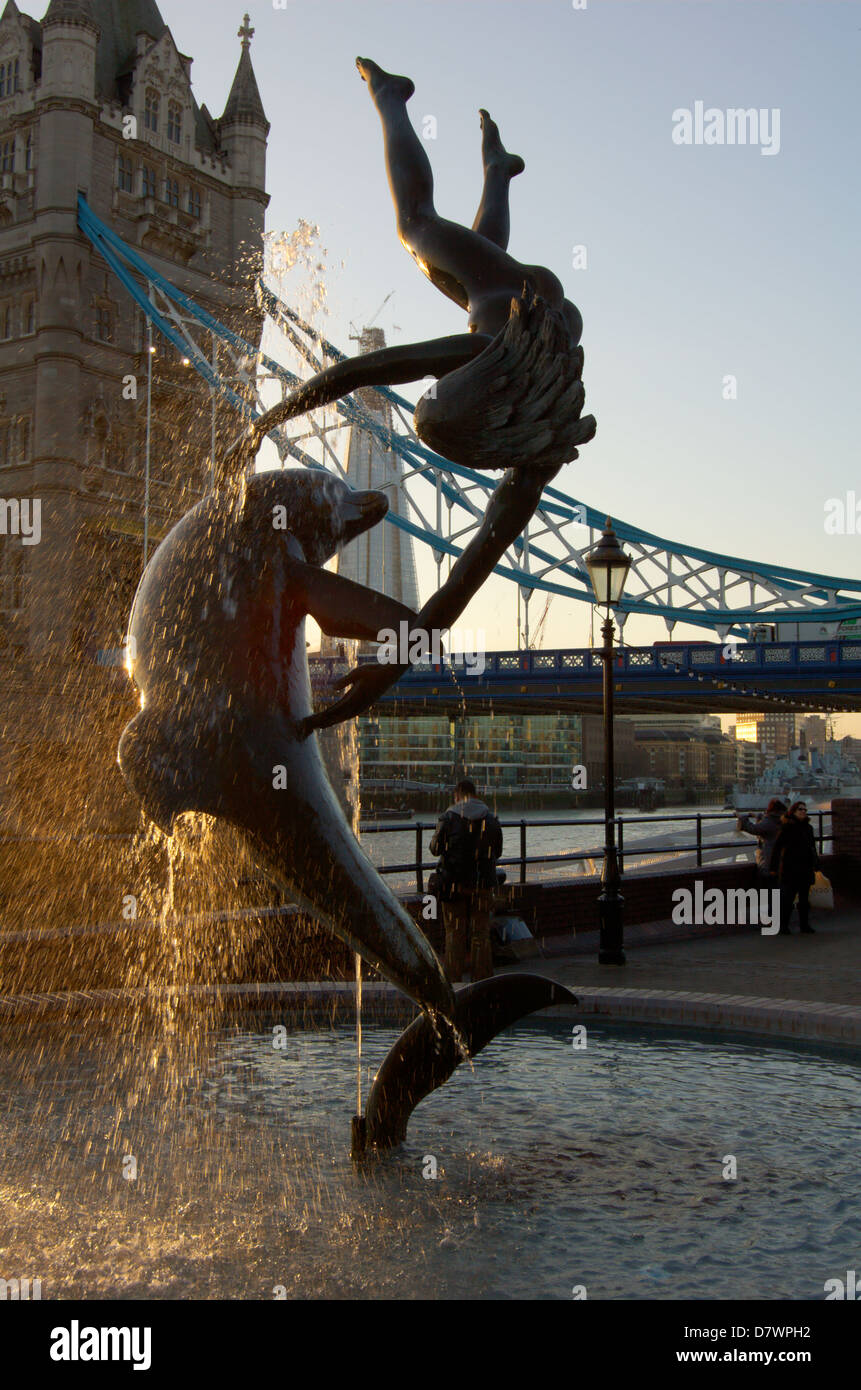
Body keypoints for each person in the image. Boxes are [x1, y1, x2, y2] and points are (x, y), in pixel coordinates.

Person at [355, 56, 584, 349]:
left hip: (532, 305)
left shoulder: (507, 347)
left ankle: (498, 171)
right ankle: (389, 97)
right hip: (526, 308)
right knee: (415, 221)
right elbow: (401, 363)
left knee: (482, 256)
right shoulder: (495, 350)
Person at [429, 779, 503, 982]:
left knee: (454, 933)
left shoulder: (448, 817)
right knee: (480, 934)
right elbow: (497, 851)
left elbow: (435, 848)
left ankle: (453, 981)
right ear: (476, 794)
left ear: (458, 795)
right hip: (482, 884)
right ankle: (482, 980)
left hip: (454, 884)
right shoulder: (491, 819)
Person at [771, 801, 819, 935]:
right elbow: (777, 848)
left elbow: (812, 848)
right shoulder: (786, 827)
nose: (803, 811)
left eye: (805, 809)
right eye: (800, 809)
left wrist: (816, 863)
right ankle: (783, 926)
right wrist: (774, 867)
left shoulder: (808, 828)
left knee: (804, 900)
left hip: (805, 868)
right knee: (788, 899)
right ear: (793, 811)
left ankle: (804, 925)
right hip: (790, 868)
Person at [737, 798, 786, 884]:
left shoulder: (770, 821)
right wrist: (759, 816)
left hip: (768, 860)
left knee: (767, 885)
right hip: (782, 861)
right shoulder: (784, 820)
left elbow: (754, 829)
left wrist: (742, 819)